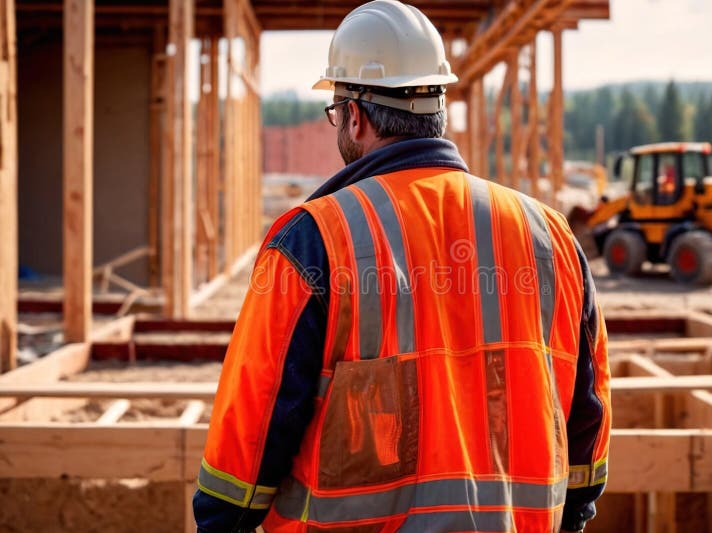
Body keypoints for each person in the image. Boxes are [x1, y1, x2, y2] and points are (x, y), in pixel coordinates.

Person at [193, 1, 611, 532]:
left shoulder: (312, 241)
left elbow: (247, 441)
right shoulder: (552, 239)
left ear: (355, 116)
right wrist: (573, 518)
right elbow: (588, 416)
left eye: (334, 113)